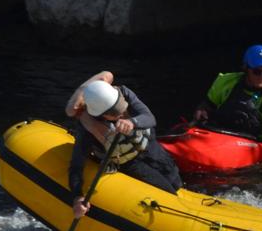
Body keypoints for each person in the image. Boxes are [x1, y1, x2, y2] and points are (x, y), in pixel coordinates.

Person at [65, 71, 183, 218]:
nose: (121, 113)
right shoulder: (87, 129)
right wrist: (77, 197)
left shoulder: (124, 92)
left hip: (150, 145)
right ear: (100, 114)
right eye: (114, 112)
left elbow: (150, 118)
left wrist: (132, 122)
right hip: (131, 163)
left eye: (120, 106)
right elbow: (76, 167)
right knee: (169, 195)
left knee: (176, 183)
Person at [193, 44, 262, 165]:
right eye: (257, 71)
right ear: (246, 68)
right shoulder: (226, 82)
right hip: (219, 132)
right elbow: (206, 105)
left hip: (253, 140)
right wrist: (201, 112)